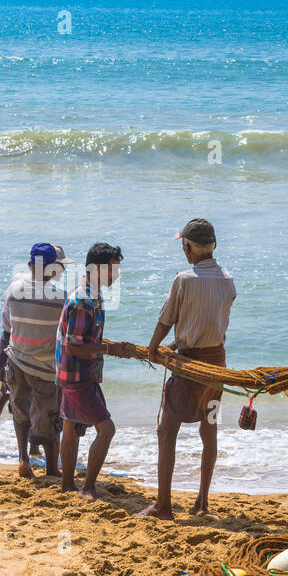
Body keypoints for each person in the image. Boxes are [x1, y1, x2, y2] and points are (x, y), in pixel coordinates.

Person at [140, 218, 236, 519]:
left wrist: (153, 348)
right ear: (214, 245)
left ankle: (164, 505)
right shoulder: (228, 279)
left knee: (166, 432)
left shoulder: (184, 279)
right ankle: (202, 502)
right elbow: (206, 324)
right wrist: (177, 342)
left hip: (189, 367)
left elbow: (167, 318)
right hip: (216, 367)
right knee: (210, 430)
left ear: (188, 247)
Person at [56, 243, 123, 499]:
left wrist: (107, 347)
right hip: (78, 376)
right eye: (111, 271)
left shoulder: (90, 293)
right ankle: (87, 488)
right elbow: (73, 347)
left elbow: (82, 341)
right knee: (106, 430)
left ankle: (67, 485)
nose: (115, 276)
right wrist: (109, 349)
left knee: (71, 428)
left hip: (76, 374)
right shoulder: (83, 299)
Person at [0, 243, 72, 478]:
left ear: (30, 265)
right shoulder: (61, 298)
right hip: (46, 368)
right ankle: (52, 468)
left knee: (20, 411)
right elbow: (65, 334)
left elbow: (8, 328)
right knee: (50, 416)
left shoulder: (12, 291)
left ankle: (23, 459)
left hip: (17, 361)